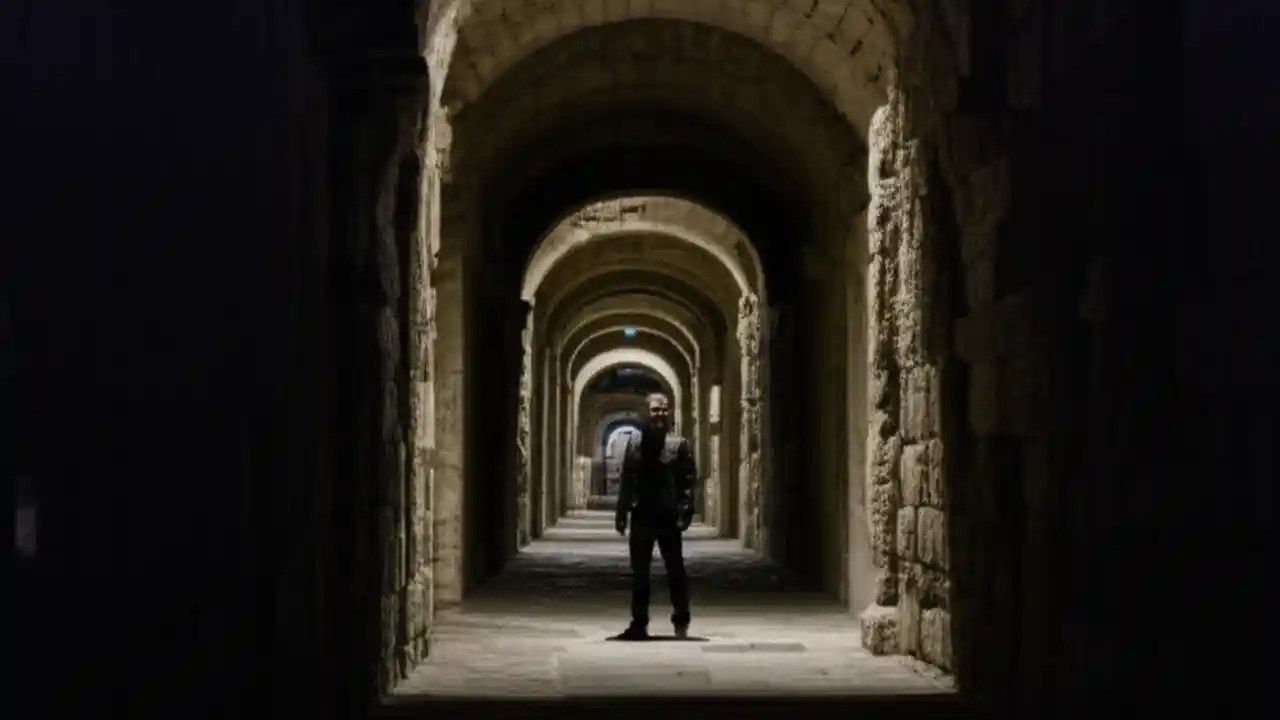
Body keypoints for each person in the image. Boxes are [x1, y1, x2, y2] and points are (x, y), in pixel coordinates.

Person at [614, 392, 695, 640]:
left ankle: (681, 620)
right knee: (640, 572)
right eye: (655, 409)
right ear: (646, 412)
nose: (660, 414)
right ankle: (639, 622)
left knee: (675, 570)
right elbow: (627, 478)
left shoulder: (678, 444)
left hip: (668, 515)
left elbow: (688, 481)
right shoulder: (635, 442)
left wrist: (686, 510)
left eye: (664, 409)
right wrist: (622, 510)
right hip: (642, 514)